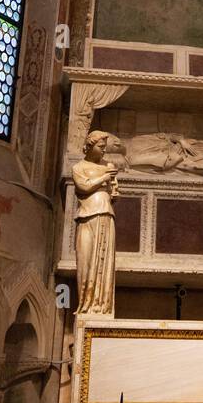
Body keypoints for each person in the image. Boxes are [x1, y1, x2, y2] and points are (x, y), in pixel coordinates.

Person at [72, 130, 119, 317]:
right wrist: (104, 178)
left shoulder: (109, 165)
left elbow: (114, 191)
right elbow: (83, 186)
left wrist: (113, 190)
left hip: (106, 215)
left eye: (105, 147)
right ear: (90, 146)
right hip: (87, 216)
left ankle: (101, 305)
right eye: (101, 147)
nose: (104, 151)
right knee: (86, 261)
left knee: (104, 262)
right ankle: (86, 303)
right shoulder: (79, 167)